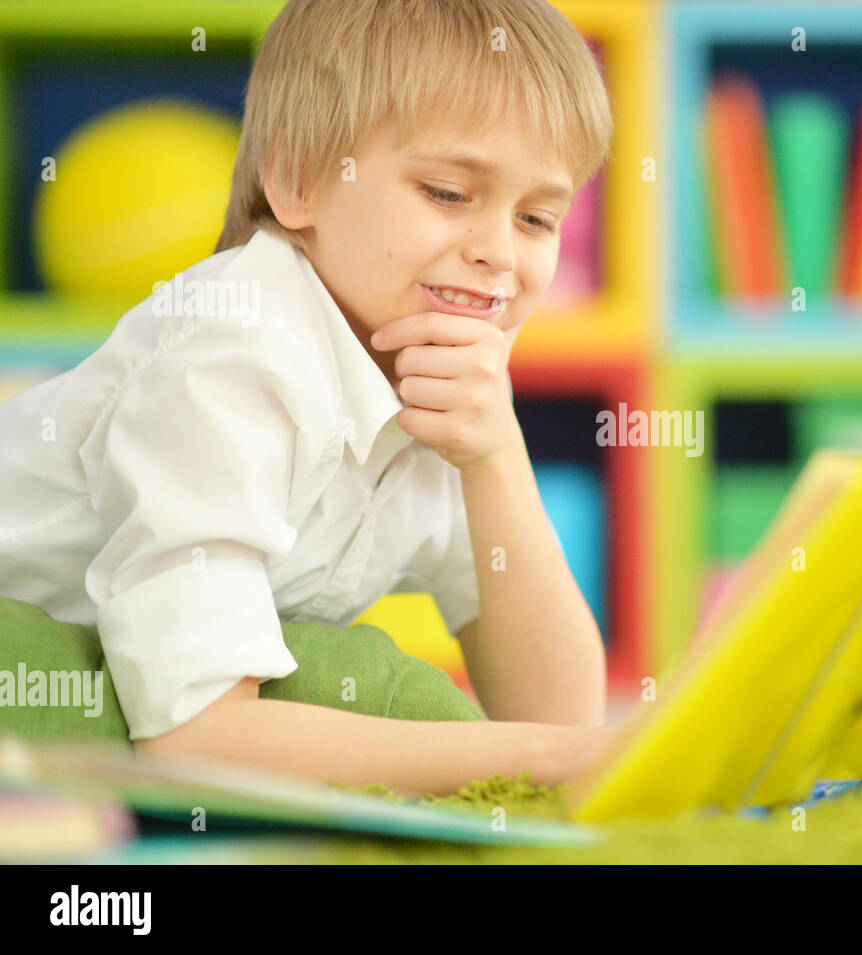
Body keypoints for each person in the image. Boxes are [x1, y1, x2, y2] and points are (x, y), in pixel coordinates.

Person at [0, 0, 619, 798]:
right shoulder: (232, 359)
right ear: (297, 182)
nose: (499, 252)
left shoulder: (431, 383)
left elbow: (560, 714)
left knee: (329, 678)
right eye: (447, 192)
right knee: (350, 687)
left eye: (538, 217)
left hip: (144, 689)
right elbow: (197, 737)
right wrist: (540, 758)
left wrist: (499, 458)